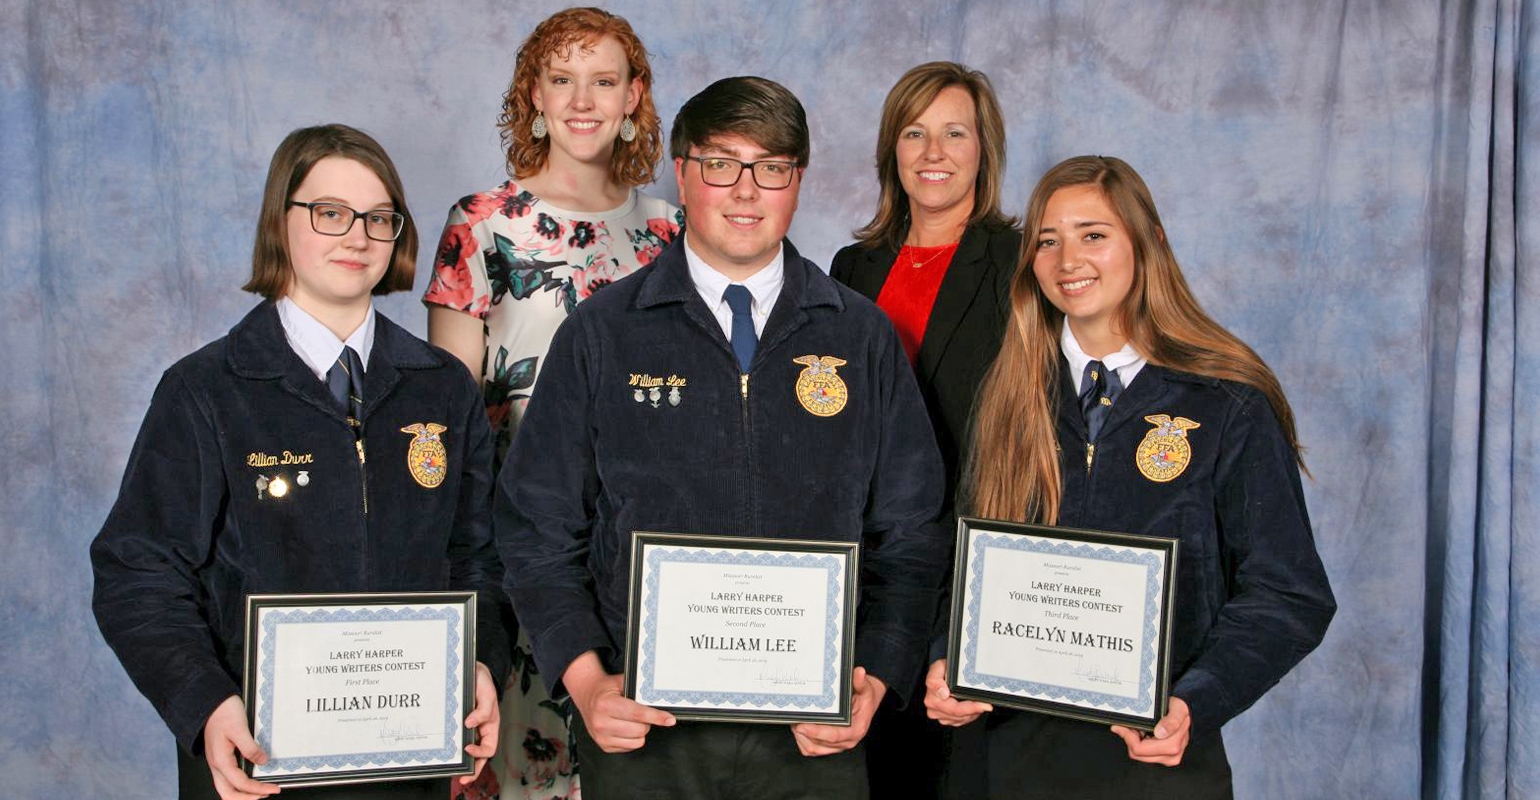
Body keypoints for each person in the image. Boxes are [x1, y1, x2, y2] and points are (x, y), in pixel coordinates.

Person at [496, 76, 952, 800]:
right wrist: (586, 683)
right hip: (647, 733)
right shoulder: (604, 333)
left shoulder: (860, 337)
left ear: (797, 182)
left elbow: (912, 529)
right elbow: (535, 524)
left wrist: (876, 674)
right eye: (721, 164)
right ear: (682, 173)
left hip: (817, 733)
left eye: (771, 168)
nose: (746, 191)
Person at [90, 124, 508, 800]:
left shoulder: (442, 387)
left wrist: (482, 661)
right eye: (330, 213)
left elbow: (482, 556)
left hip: (409, 760)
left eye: (379, 218)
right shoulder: (206, 391)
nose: (358, 237)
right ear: (280, 222)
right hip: (255, 759)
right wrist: (204, 703)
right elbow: (137, 573)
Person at [923, 155, 1336, 799]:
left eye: (1093, 235)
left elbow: (1288, 594)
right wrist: (942, 660)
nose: (1068, 261)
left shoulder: (1226, 404)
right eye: (1047, 241)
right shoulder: (1006, 394)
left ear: (1149, 243)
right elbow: (960, 563)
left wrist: (1197, 701)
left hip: (1154, 766)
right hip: (1003, 763)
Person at [420, 8, 680, 798]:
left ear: (633, 96)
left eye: (603, 81)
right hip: (517, 554)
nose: (582, 100)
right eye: (562, 80)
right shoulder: (485, 226)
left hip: (634, 562)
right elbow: (444, 431)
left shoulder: (672, 234)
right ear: (534, 93)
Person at [827, 62, 1020, 798]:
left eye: (954, 132)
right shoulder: (853, 266)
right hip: (866, 567)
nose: (933, 152)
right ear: (892, 150)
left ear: (982, 150)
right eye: (915, 132)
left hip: (967, 564)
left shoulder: (1018, 263)